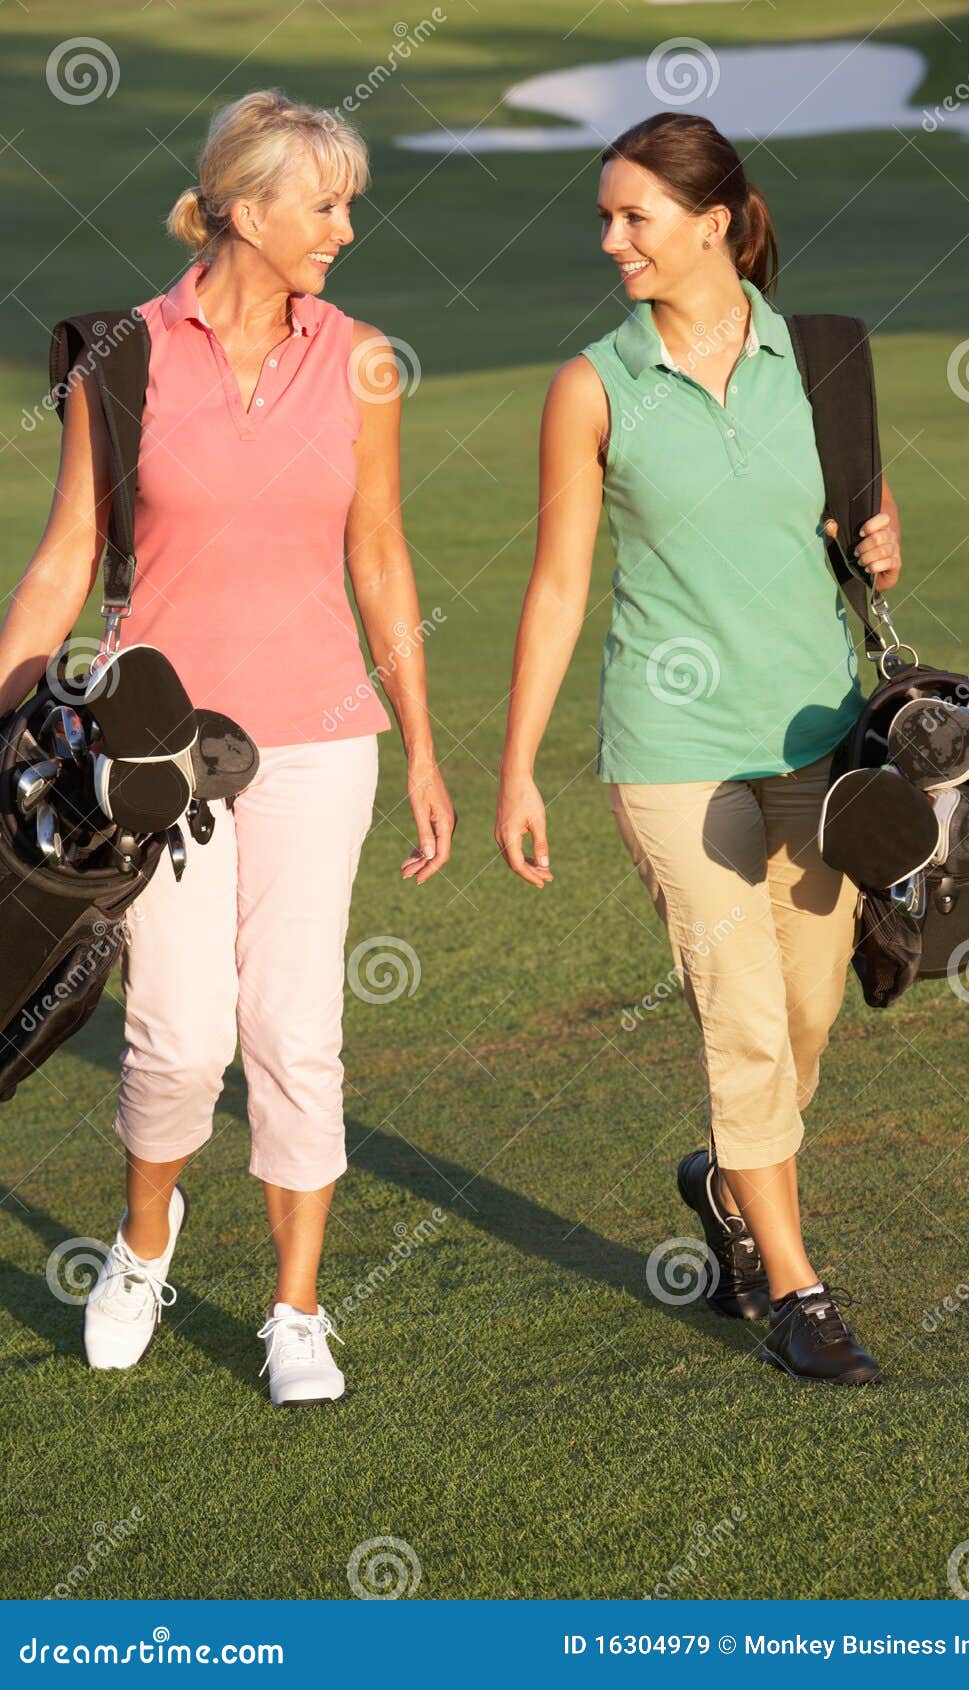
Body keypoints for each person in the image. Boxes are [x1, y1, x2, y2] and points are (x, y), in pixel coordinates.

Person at [0, 89, 455, 1406]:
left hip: (319, 741)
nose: (346, 230)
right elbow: (63, 564)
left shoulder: (364, 361)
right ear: (246, 211)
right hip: (157, 760)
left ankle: (296, 1310)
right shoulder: (120, 357)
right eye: (325, 205)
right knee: (180, 1038)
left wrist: (421, 743)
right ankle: (143, 1244)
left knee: (295, 1033)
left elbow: (379, 555)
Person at [495, 113, 902, 1385]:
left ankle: (725, 1183)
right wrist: (514, 765)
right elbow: (559, 584)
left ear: (714, 222)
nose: (611, 239)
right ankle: (796, 1289)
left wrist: (885, 545)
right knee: (739, 1017)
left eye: (635, 217)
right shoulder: (592, 385)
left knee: (806, 1010)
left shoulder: (823, 357)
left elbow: (861, 524)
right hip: (672, 750)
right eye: (605, 219)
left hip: (821, 743)